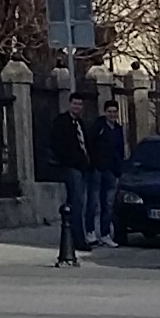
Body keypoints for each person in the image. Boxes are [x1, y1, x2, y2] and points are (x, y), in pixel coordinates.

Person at [50, 92, 98, 263]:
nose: (77, 107)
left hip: (83, 167)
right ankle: (77, 239)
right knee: (76, 203)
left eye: (80, 104)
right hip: (71, 167)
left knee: (81, 202)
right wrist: (69, 160)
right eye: (75, 104)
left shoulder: (80, 124)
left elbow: (86, 144)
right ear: (69, 104)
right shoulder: (62, 123)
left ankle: (78, 236)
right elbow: (57, 144)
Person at [91, 99, 129, 245]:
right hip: (98, 169)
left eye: (114, 112)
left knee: (108, 204)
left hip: (112, 171)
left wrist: (119, 168)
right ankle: (91, 232)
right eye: (109, 112)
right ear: (105, 112)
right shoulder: (98, 127)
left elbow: (120, 150)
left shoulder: (118, 129)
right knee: (94, 203)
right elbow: (91, 145)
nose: (112, 114)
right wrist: (94, 164)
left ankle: (105, 234)